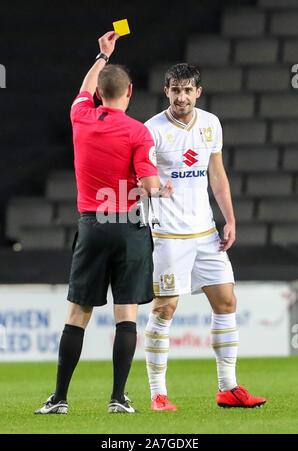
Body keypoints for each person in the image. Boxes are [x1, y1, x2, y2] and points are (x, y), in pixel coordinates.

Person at [35, 31, 165, 415]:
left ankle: (59, 399)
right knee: (126, 312)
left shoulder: (80, 116)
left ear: (98, 94)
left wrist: (101, 56)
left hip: (92, 225)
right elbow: (150, 185)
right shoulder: (138, 131)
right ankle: (118, 399)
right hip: (129, 225)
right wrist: (160, 186)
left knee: (78, 313)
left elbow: (83, 89)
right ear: (128, 93)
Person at [144, 63, 267, 410]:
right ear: (165, 91)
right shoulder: (151, 130)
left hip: (206, 233)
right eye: (175, 90)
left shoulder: (211, 124)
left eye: (188, 90)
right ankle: (158, 394)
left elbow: (218, 175)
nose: (181, 96)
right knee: (165, 308)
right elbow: (141, 177)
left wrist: (229, 219)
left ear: (198, 92)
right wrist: (153, 190)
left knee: (226, 302)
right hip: (169, 235)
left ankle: (227, 388)